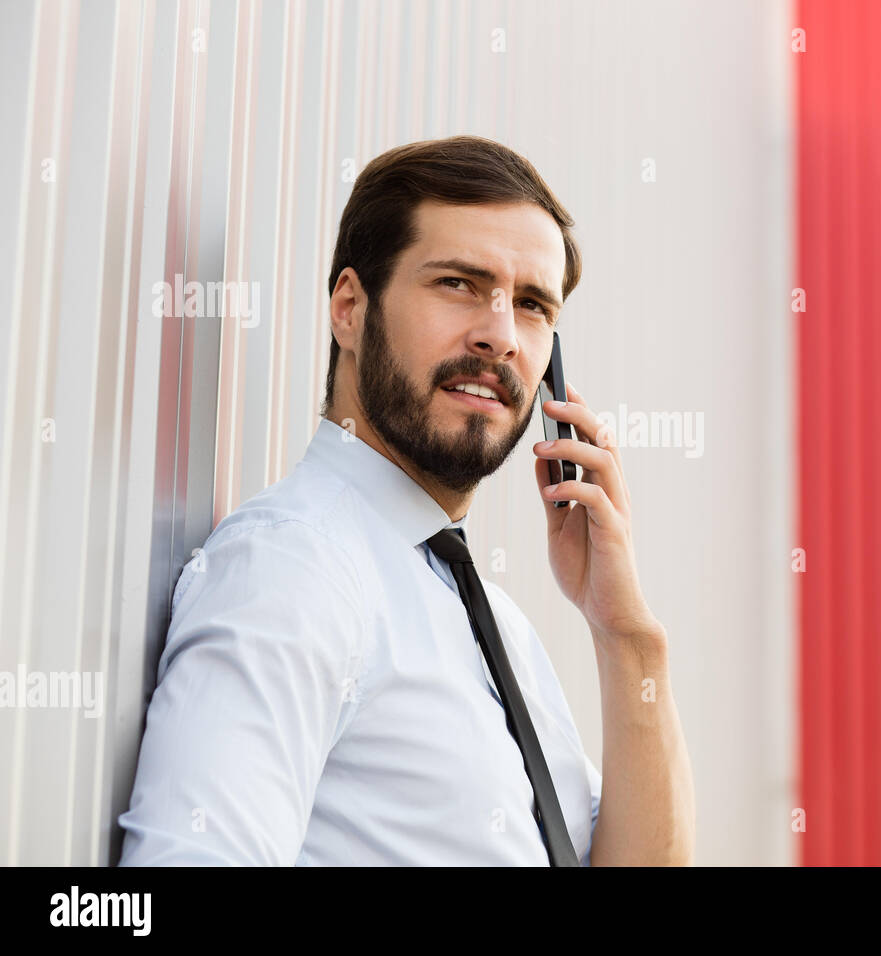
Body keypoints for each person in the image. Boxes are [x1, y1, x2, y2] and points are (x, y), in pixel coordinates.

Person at [117, 136, 694, 866]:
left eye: (530, 304)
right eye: (457, 283)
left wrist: (627, 636)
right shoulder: (293, 568)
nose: (498, 336)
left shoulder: (487, 618)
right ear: (350, 309)